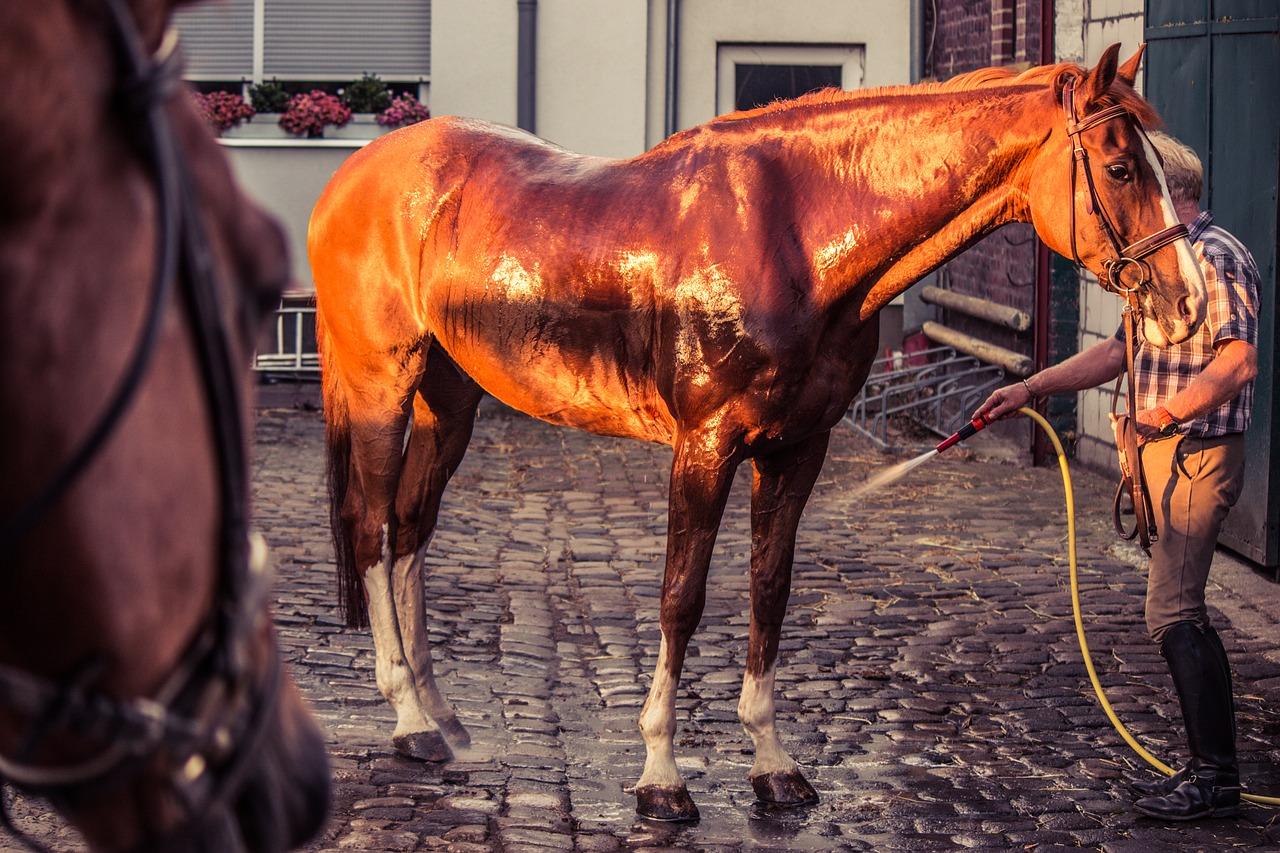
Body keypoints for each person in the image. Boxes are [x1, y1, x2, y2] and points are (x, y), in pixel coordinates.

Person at [976, 131, 1260, 821]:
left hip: (1196, 453)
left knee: (1173, 610)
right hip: (1160, 455)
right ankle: (1211, 767)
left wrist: (1164, 414)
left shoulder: (1216, 256)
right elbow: (1116, 350)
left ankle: (1215, 779)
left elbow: (1238, 361)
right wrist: (1031, 387)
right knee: (1180, 610)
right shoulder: (1158, 264)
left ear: (1168, 188)